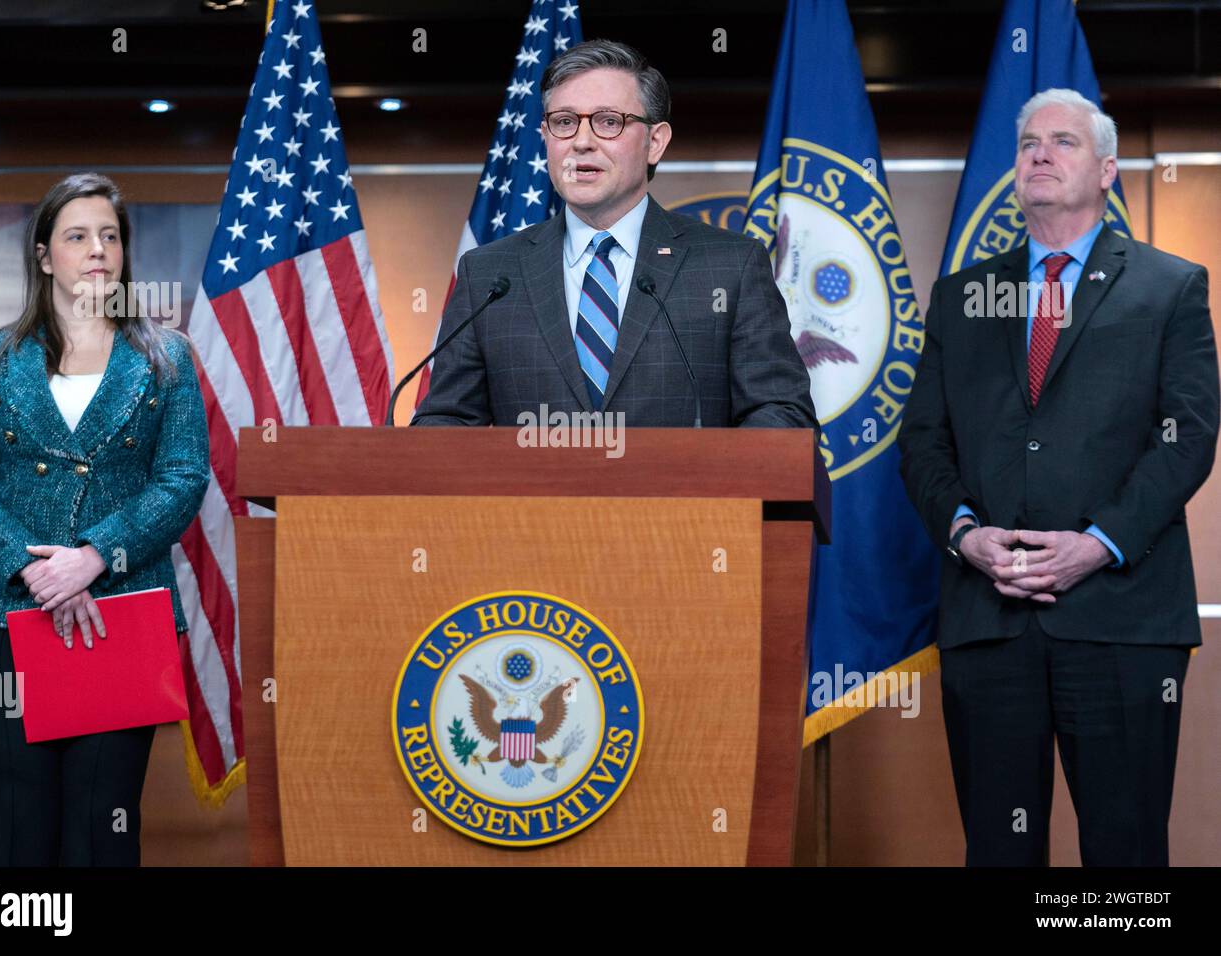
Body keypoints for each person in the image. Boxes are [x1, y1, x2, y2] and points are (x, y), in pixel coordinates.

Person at [899, 89, 1219, 866]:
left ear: (1108, 169)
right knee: (999, 853)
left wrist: (1096, 543)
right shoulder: (961, 296)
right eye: (1029, 143)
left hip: (1120, 620)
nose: (1039, 153)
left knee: (1125, 853)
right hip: (989, 620)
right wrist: (966, 538)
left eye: (1063, 142)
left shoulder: (1168, 286)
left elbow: (1187, 438)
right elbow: (922, 443)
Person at [0, 172, 211, 866]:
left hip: (121, 614)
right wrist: (35, 570)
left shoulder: (167, 358)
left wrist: (92, 556)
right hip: (3, 617)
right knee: (18, 827)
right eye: (78, 236)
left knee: (101, 827)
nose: (97, 250)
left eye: (110, 236)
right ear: (44, 254)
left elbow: (182, 478)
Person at [412, 39, 816, 429]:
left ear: (655, 142)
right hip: (534, 500)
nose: (582, 142)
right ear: (545, 139)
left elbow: (780, 412)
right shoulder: (488, 275)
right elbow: (446, 420)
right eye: (564, 122)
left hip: (683, 499)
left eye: (609, 122)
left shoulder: (730, 266)